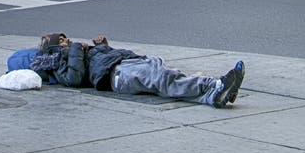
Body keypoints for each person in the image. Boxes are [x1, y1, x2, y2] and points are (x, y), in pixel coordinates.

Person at [26, 33, 245, 108]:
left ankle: (214, 97)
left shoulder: (77, 52)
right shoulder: (60, 61)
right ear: (55, 47)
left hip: (127, 63)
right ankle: (215, 85)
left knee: (170, 78)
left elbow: (97, 61)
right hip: (118, 75)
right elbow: (76, 78)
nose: (69, 40)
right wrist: (76, 49)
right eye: (63, 40)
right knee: (164, 80)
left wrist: (103, 46)